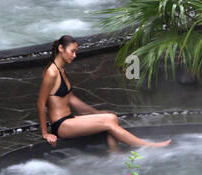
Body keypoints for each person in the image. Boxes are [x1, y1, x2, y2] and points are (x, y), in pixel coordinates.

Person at [37, 34, 170, 148]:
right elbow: (40, 103)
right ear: (61, 48)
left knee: (111, 117)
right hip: (61, 126)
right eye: (72, 51)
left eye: (76, 51)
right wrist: (45, 133)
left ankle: (115, 154)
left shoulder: (61, 70)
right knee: (108, 122)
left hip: (69, 119)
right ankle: (147, 146)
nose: (75, 55)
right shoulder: (51, 72)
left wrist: (96, 113)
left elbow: (72, 99)